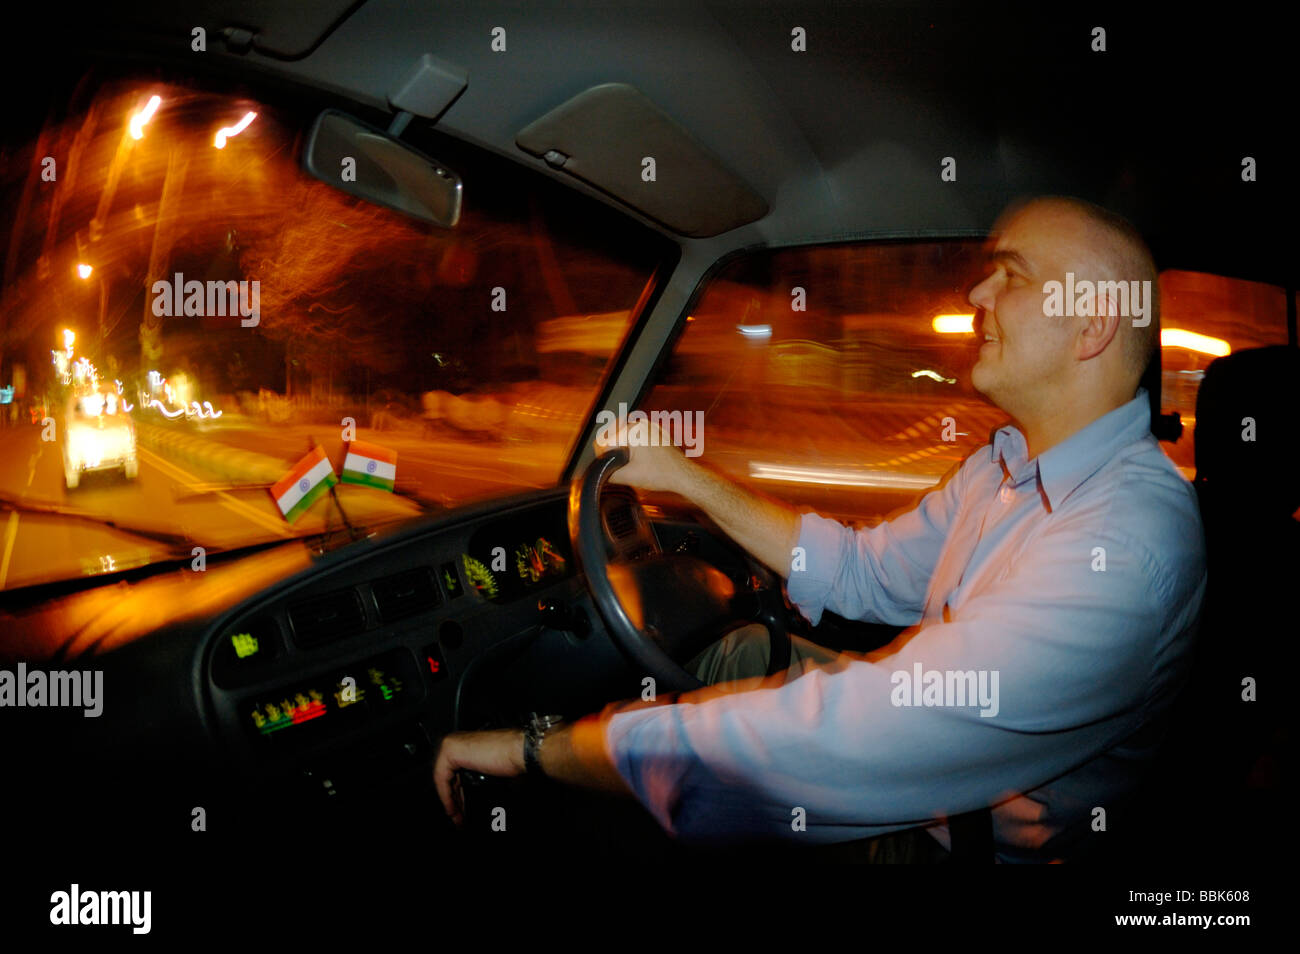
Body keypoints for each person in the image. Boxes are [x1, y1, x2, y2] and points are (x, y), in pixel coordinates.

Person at [432, 196, 1207, 862]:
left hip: (955, 844)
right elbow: (863, 572)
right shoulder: (1001, 469)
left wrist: (540, 749)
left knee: (621, 803)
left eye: (1012, 275)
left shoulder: (1128, 545)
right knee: (730, 651)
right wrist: (684, 479)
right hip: (939, 801)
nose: (976, 292)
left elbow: (853, 735)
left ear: (1092, 327)